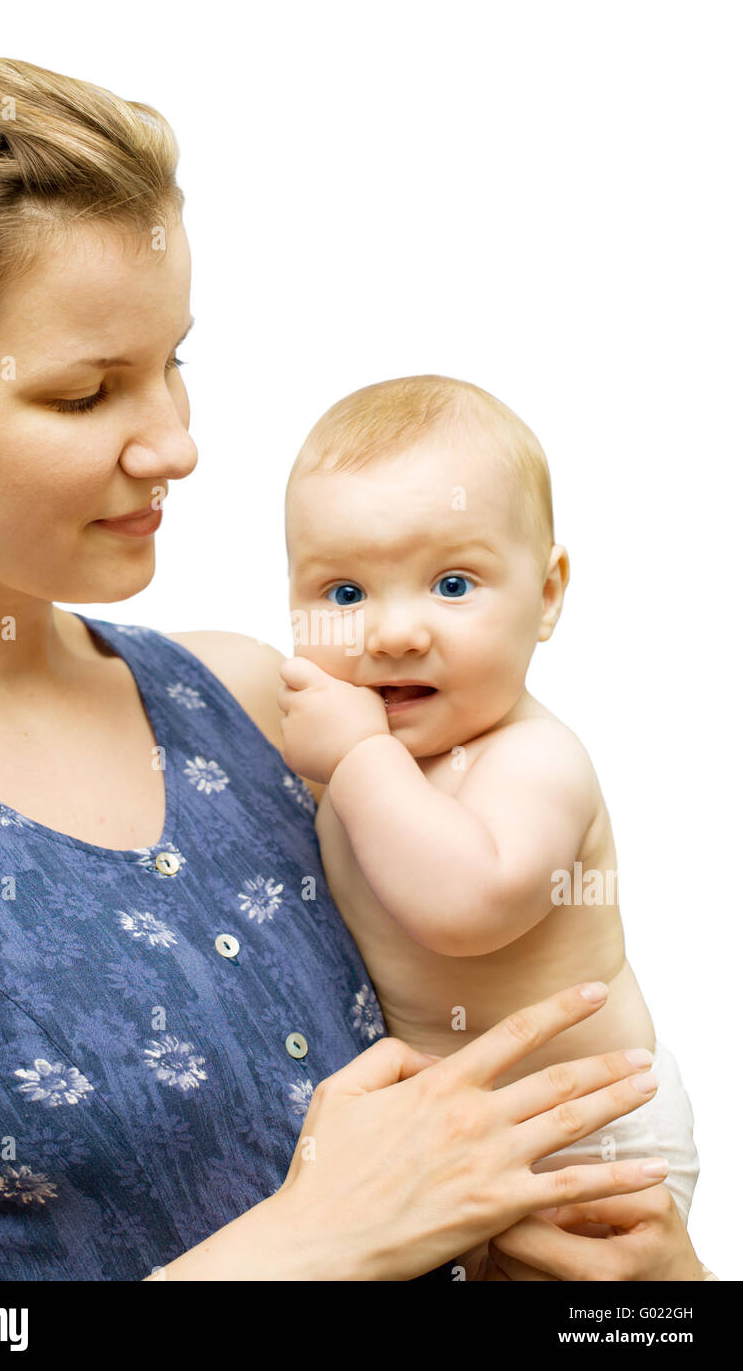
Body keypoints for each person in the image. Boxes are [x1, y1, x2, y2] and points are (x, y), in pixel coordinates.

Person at [0, 53, 710, 1281]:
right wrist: (312, 1244)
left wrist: (655, 1291)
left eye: (174, 363)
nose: (177, 442)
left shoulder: (267, 710)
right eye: (84, 391)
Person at [278, 375, 699, 1277]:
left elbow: (467, 904)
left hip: (587, 1140)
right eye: (343, 592)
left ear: (547, 595)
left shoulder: (534, 759)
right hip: (450, 1149)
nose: (392, 632)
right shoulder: (358, 750)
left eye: (453, 583)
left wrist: (356, 763)